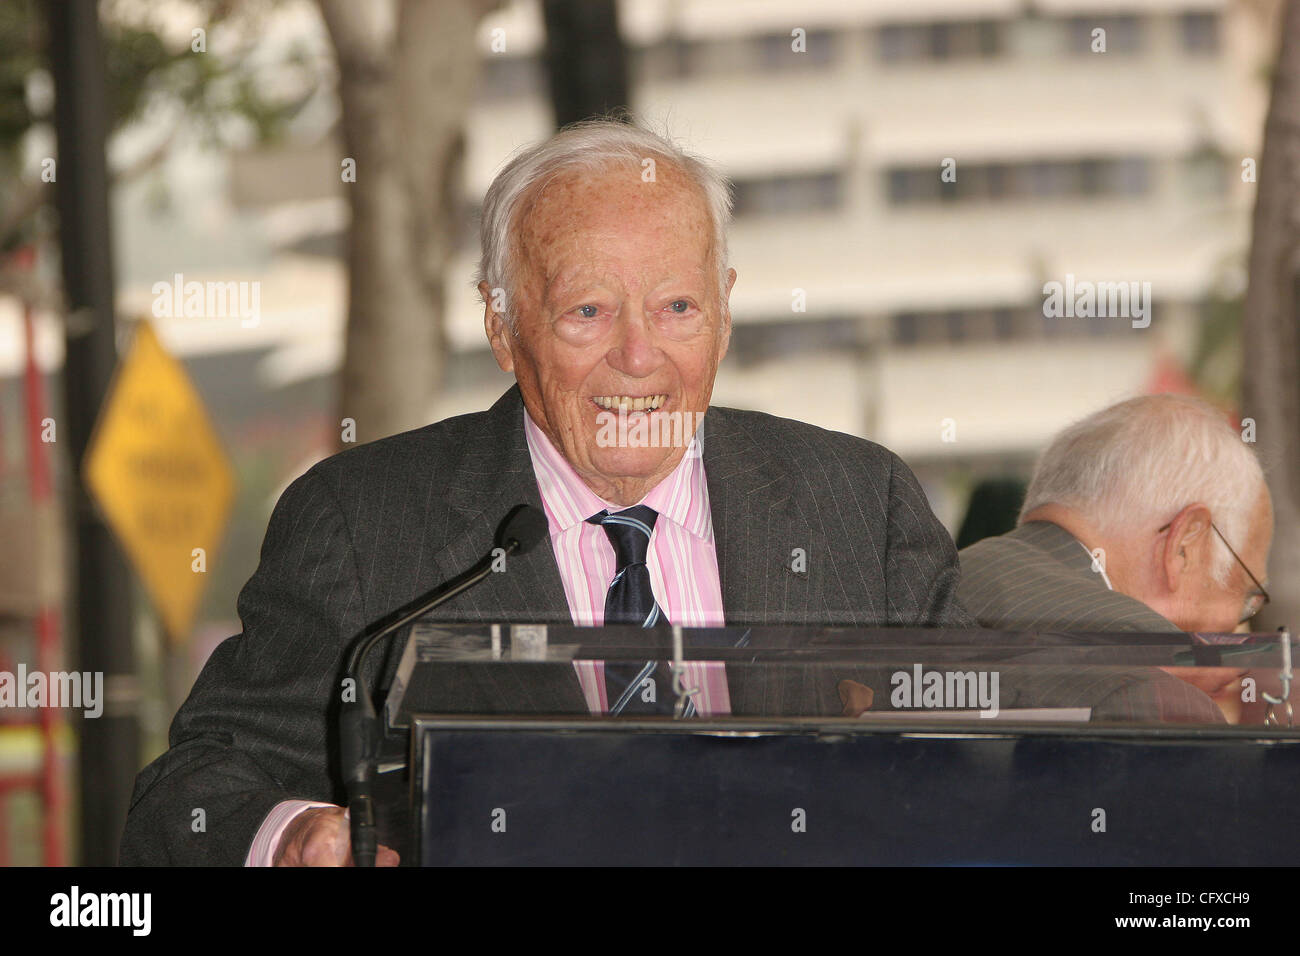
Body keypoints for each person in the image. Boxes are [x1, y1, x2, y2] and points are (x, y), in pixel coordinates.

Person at [119, 120, 971, 866]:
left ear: (726, 308)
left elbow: (993, 754)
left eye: (678, 306)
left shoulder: (859, 500)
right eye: (588, 312)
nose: (639, 357)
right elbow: (190, 793)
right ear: (501, 324)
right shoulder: (365, 524)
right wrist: (294, 833)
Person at [958, 393, 1273, 635]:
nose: (1237, 628)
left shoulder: (932, 589)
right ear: (1183, 548)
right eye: (1247, 599)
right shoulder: (1146, 682)